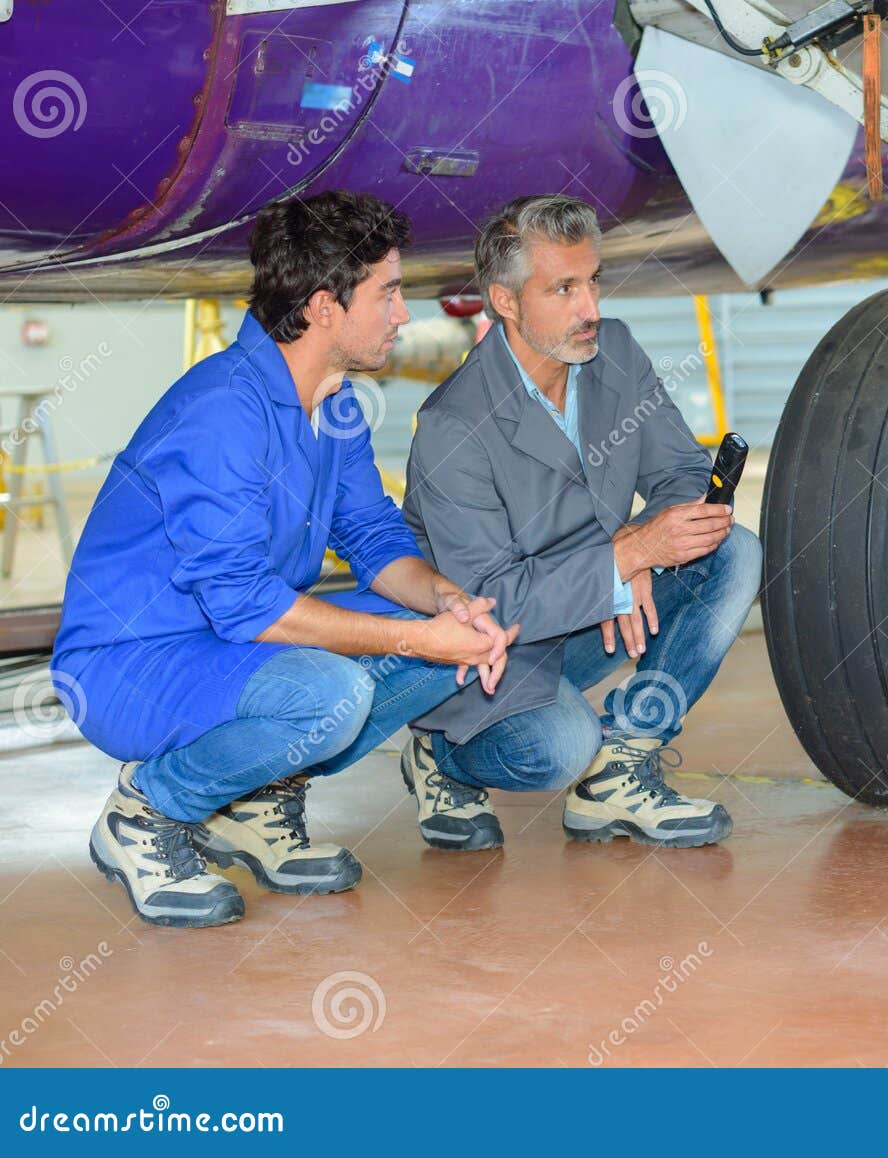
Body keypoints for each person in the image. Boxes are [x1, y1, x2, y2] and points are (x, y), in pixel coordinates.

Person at [53, 191, 518, 929]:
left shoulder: (333, 405)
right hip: (132, 661)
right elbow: (245, 604)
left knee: (445, 644)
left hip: (224, 640)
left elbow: (372, 536)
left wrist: (445, 605)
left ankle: (253, 798)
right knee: (330, 695)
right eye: (389, 292)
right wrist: (414, 636)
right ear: (326, 306)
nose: (403, 313)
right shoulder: (223, 413)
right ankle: (147, 812)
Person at [400, 194, 761, 850]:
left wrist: (638, 540)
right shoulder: (452, 428)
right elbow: (488, 603)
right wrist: (621, 562)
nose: (589, 308)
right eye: (562, 288)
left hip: (589, 615)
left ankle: (617, 777)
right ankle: (438, 757)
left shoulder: (613, 350)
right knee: (561, 747)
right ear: (505, 301)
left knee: (730, 551)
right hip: (489, 655)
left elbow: (682, 470)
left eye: (592, 281)